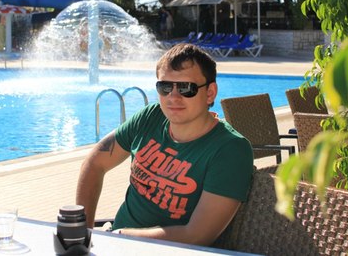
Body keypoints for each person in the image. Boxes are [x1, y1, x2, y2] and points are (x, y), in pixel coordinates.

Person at [76, 43, 253, 246]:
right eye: (165, 87)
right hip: (115, 243)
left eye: (186, 88)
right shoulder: (150, 117)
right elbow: (94, 163)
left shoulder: (230, 150)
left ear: (210, 93)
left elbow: (197, 235)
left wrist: (120, 236)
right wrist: (83, 232)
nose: (173, 97)